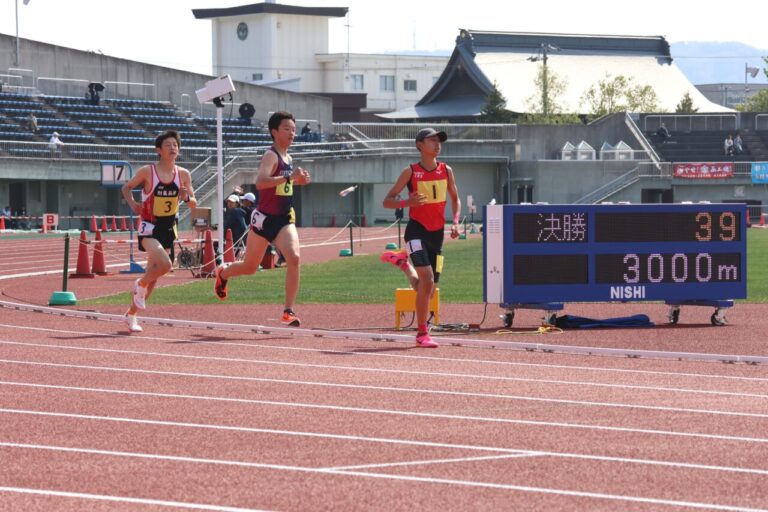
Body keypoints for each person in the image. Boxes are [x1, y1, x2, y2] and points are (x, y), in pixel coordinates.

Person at [213, 111, 311, 326]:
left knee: (294, 258)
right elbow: (261, 182)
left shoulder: (288, 158)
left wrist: (297, 181)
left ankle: (288, 310)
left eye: (294, 129)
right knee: (250, 267)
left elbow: (282, 186)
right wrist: (289, 177)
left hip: (284, 219)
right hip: (264, 219)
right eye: (287, 129)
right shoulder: (271, 155)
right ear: (274, 132)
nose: (292, 133)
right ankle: (223, 273)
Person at [380, 127, 460, 348]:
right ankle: (422, 333)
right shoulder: (410, 172)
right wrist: (408, 203)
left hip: (437, 234)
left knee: (427, 289)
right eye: (432, 140)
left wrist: (455, 222)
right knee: (427, 280)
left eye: (439, 141)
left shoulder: (446, 170)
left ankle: (403, 264)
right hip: (416, 231)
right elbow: (387, 201)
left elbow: (455, 199)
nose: (437, 144)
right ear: (419, 145)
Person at [120, 130, 197, 332]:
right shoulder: (148, 171)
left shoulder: (183, 174)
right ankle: (140, 283)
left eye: (175, 145)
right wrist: (133, 204)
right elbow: (126, 188)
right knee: (165, 264)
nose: (173, 148)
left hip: (168, 227)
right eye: (168, 145)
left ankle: (131, 315)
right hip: (149, 225)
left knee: (153, 279)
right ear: (159, 150)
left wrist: (185, 197)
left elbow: (193, 204)